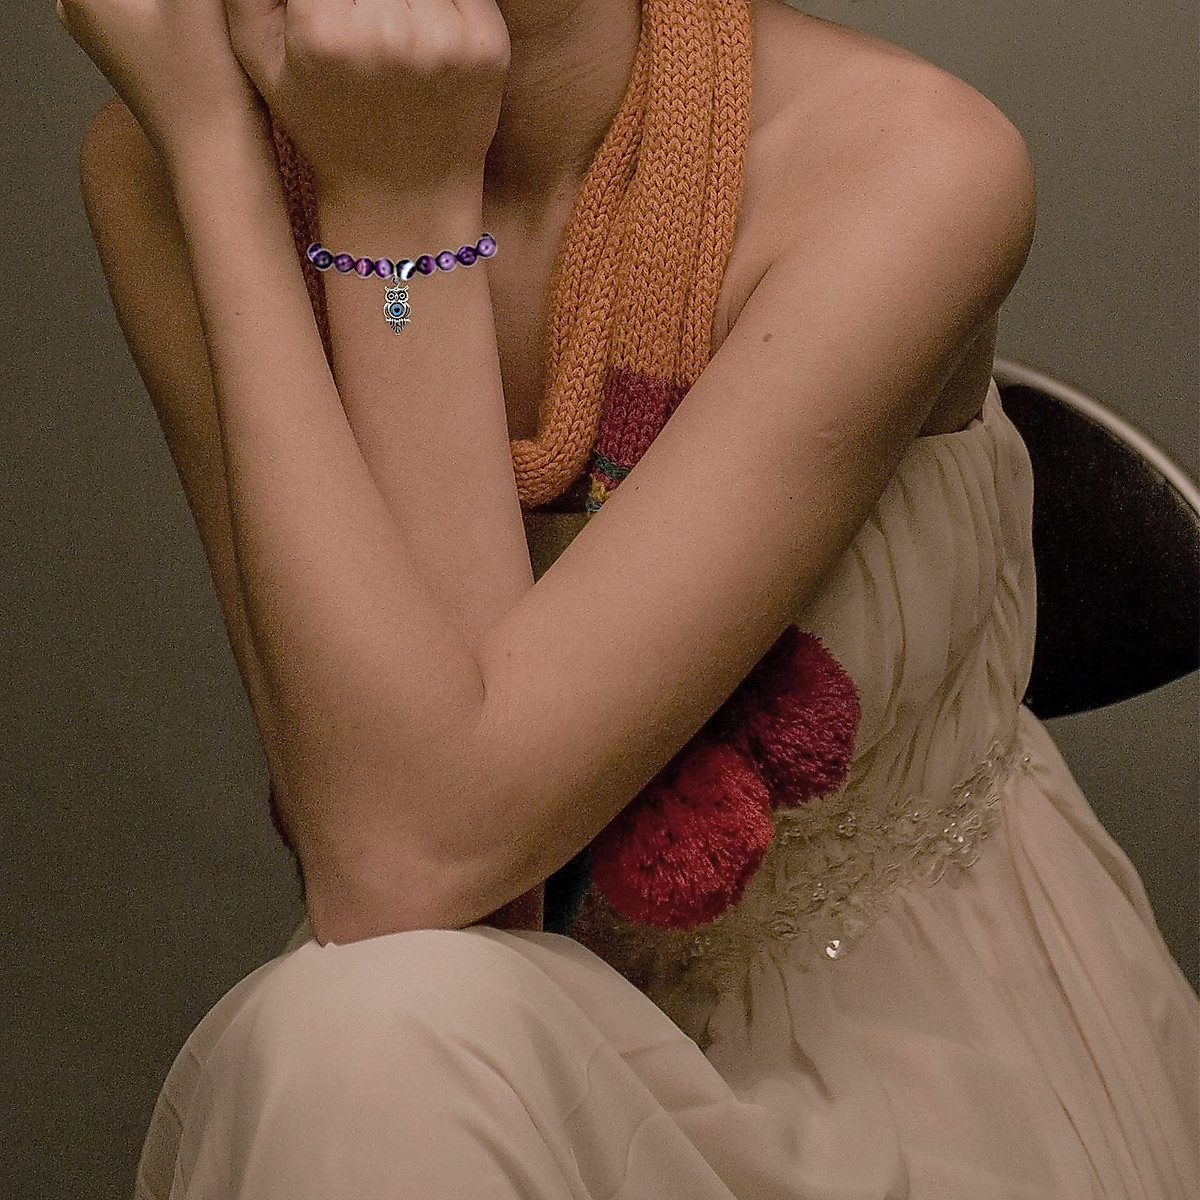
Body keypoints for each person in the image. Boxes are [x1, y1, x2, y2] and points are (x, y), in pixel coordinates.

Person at [65, 0, 1197, 1195]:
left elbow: (421, 857)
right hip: (461, 1039)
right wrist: (218, 155)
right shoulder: (171, 146)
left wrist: (397, 209)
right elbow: (401, 870)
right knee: (372, 1031)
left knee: (380, 1029)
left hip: (907, 1061)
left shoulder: (911, 161)